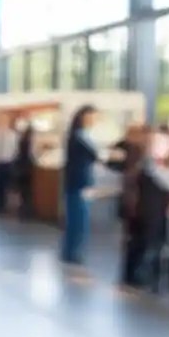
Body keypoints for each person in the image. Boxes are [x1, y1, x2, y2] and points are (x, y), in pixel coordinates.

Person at [121, 128, 169, 289]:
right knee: (147, 244)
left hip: (141, 213)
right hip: (150, 214)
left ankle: (132, 275)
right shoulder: (151, 166)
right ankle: (140, 276)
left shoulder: (143, 164)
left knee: (138, 244)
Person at [61, 105, 99, 265]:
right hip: (80, 182)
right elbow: (94, 155)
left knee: (75, 218)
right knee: (79, 219)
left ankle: (70, 251)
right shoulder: (80, 137)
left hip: (77, 181)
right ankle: (73, 251)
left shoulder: (77, 136)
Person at [14, 114, 36, 219]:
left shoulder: (21, 141)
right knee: (27, 190)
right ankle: (26, 210)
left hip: (21, 167)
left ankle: (22, 209)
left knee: (23, 190)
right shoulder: (30, 142)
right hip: (27, 168)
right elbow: (33, 155)